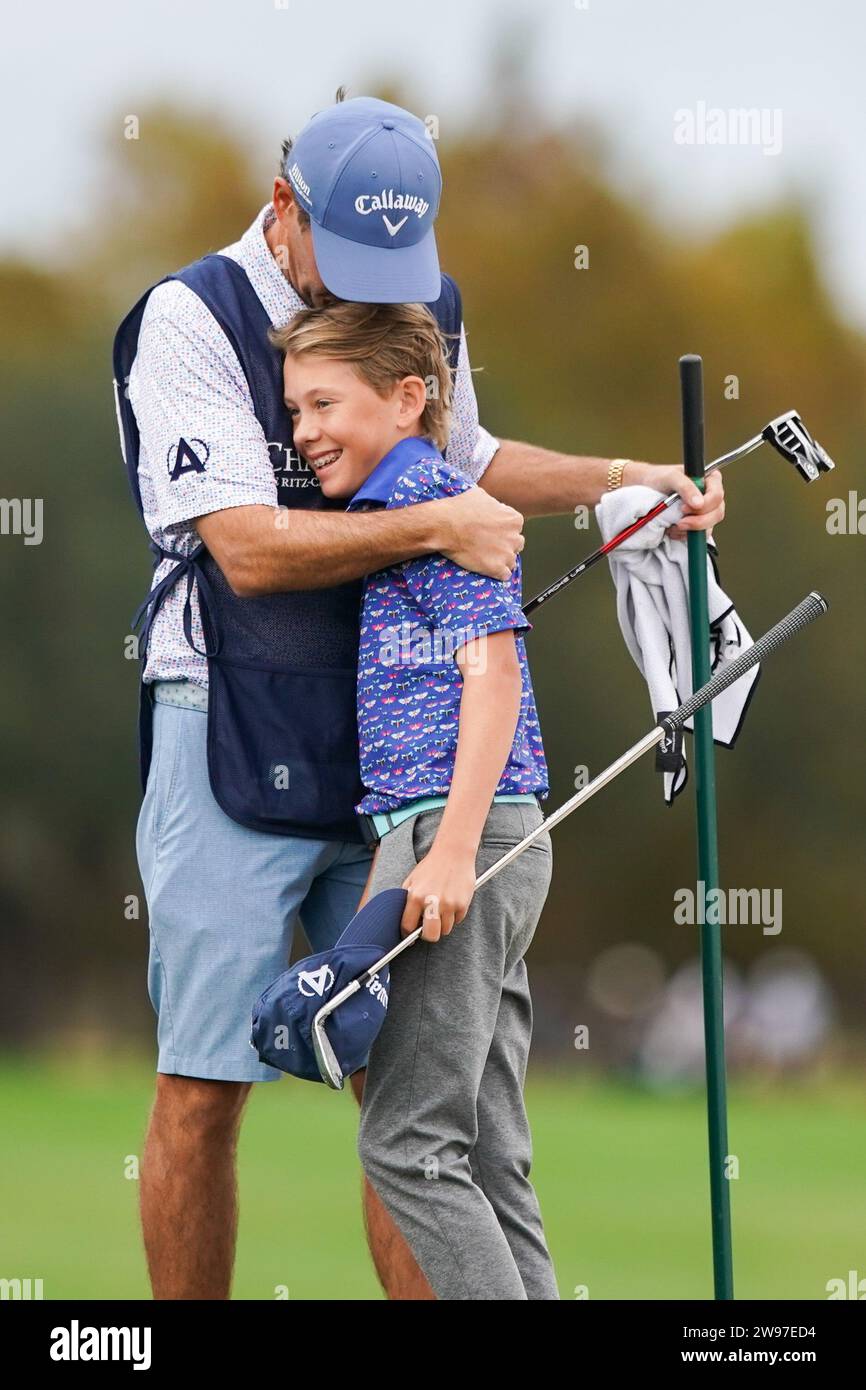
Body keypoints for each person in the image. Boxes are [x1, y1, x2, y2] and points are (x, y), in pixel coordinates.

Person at [113, 88, 724, 1302]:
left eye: (394, 266)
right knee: (200, 1084)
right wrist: (439, 522)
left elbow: (470, 464)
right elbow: (242, 545)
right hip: (226, 715)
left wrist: (621, 477)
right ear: (283, 205)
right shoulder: (189, 316)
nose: (373, 288)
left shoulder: (415, 306)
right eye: (347, 258)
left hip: (403, 745)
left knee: (412, 1101)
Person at [273, 297, 560, 1299]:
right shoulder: (400, 510)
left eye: (322, 403)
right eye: (293, 409)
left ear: (405, 399)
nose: (303, 430)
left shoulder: (438, 502)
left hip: (454, 831)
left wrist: (448, 853)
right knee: (483, 1150)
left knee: (407, 1145)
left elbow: (494, 675)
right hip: (487, 836)